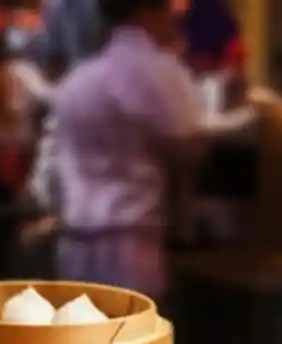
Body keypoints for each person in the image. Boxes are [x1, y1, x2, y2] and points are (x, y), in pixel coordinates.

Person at [51, 0, 202, 297]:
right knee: (129, 338)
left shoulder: (77, 79)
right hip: (129, 244)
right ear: (148, 10)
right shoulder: (160, 72)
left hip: (72, 239)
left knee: (77, 338)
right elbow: (189, 148)